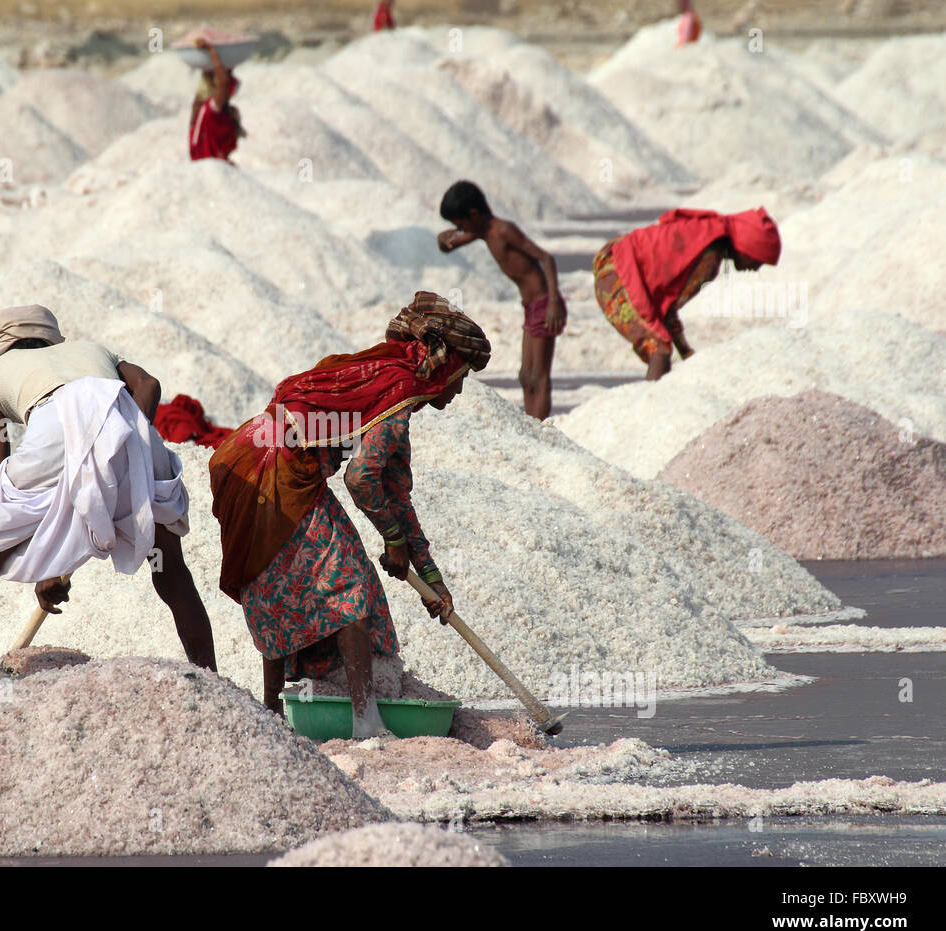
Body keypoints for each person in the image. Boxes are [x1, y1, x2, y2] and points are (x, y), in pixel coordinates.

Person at [209, 292, 490, 738]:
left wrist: (431, 578)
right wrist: (394, 543)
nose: (458, 390)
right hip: (279, 471)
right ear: (445, 364)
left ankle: (273, 719)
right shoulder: (398, 392)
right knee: (349, 584)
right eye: (461, 377)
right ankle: (366, 720)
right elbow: (362, 478)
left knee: (275, 583)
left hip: (245, 457)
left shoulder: (383, 373)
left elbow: (394, 490)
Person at [0, 305, 216, 718]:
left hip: (55, 424)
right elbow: (149, 385)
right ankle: (214, 690)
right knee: (170, 568)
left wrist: (46, 554)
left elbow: (3, 490)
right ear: (49, 337)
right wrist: (129, 446)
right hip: (130, 425)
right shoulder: (92, 348)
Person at [592, 207, 781, 380]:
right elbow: (667, 310)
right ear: (748, 246)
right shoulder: (709, 260)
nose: (756, 268)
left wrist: (685, 352)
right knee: (659, 348)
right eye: (759, 260)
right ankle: (651, 408)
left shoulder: (708, 235)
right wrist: (685, 352)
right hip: (617, 271)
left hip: (615, 261)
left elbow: (666, 302)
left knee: (660, 344)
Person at [436, 180, 565, 420]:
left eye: (461, 223)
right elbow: (448, 246)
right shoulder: (481, 232)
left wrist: (554, 302)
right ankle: (532, 423)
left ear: (474, 214)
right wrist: (444, 238)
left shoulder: (503, 231)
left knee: (539, 375)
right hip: (530, 306)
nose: (460, 229)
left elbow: (546, 259)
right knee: (525, 375)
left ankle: (540, 425)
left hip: (545, 304)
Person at [189, 37, 243, 163]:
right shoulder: (211, 110)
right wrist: (212, 52)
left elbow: (223, 83)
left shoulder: (219, 112)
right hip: (207, 169)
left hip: (213, 169)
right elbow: (223, 83)